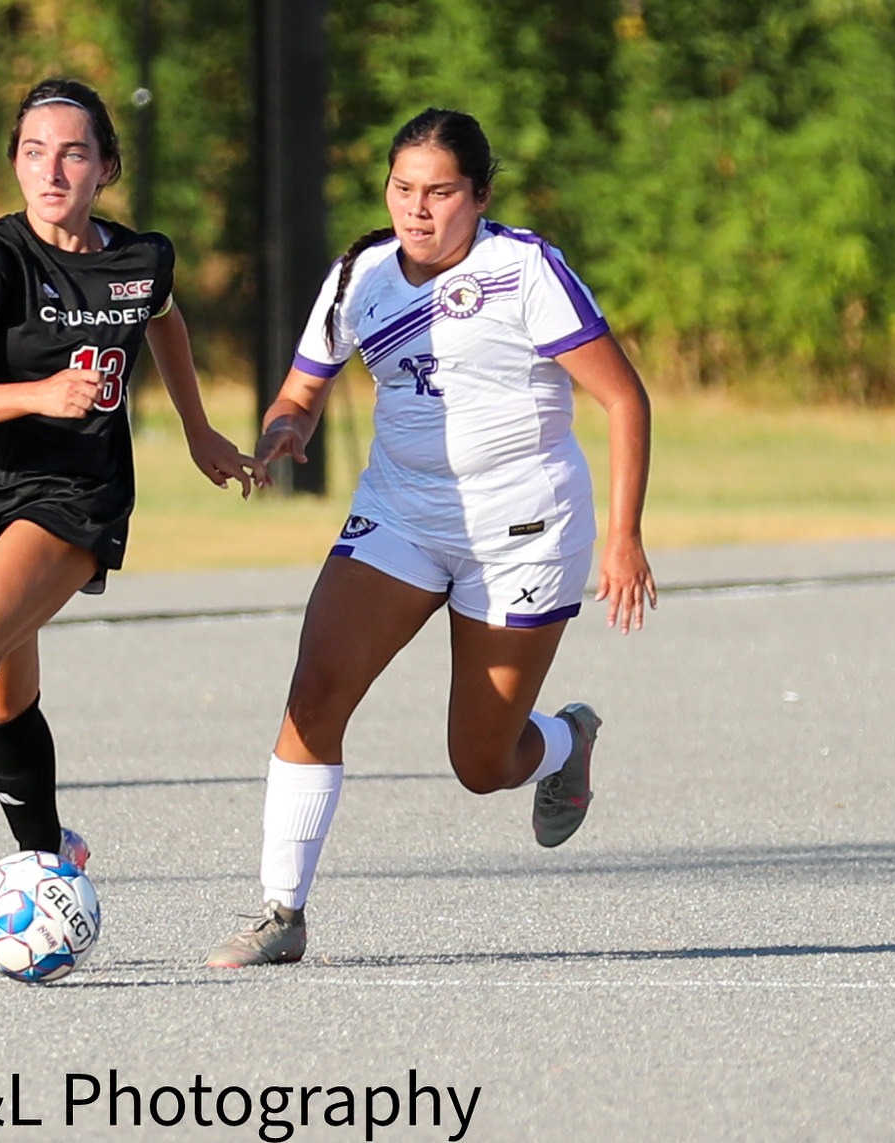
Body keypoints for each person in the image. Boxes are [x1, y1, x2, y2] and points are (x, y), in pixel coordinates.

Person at [203, 107, 656, 967]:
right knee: (315, 693)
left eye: (441, 191)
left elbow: (624, 399)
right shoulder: (361, 275)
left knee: (482, 762)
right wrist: (284, 429)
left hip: (522, 529)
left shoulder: (523, 269)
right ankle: (280, 912)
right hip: (401, 515)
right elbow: (299, 390)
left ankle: (564, 739)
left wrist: (624, 536)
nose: (418, 208)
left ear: (479, 196)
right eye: (403, 188)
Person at [0, 77, 264, 929]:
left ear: (106, 166)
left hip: (79, 496)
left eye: (73, 152)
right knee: (4, 696)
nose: (52, 170)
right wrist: (37, 392)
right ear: (14, 164)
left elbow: (164, 321)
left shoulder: (138, 259)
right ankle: (48, 851)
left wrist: (198, 431)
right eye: (33, 152)